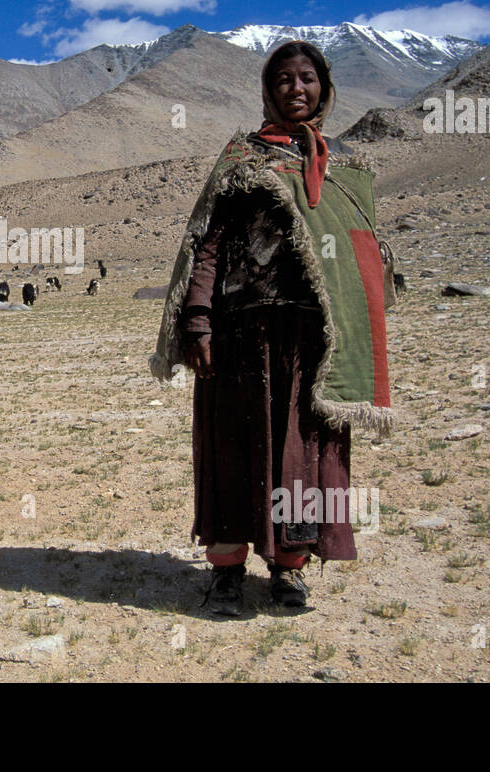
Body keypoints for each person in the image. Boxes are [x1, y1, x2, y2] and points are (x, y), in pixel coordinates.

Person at [150, 41, 395, 615]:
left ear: (324, 87)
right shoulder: (244, 158)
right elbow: (207, 244)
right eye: (283, 79)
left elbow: (361, 259)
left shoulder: (348, 169)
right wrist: (199, 321)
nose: (296, 88)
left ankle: (290, 568)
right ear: (268, 89)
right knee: (234, 450)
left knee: (304, 456)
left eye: (307, 77)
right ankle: (228, 572)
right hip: (242, 337)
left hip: (316, 343)